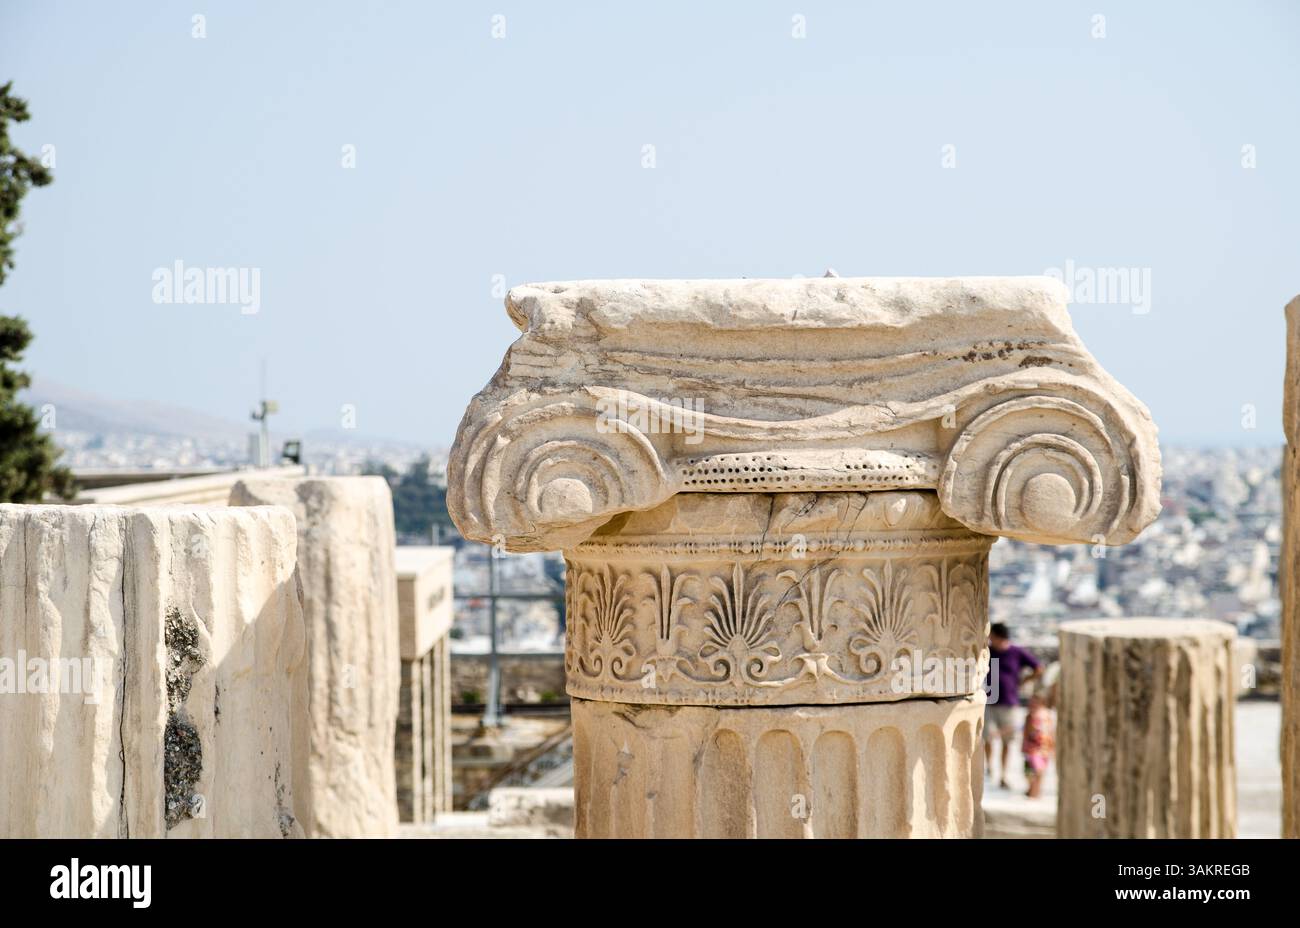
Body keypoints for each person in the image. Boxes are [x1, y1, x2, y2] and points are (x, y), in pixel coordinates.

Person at [983, 623, 1041, 789]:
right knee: (986, 737)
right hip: (989, 700)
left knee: (1006, 741)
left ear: (998, 637)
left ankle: (1003, 774)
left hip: (1009, 702)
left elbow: (1038, 668)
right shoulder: (988, 651)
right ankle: (989, 767)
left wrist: (1022, 682)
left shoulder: (1016, 652)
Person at [1021, 691, 1055, 798]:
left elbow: (1050, 731)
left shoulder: (1046, 715)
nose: (1032, 704)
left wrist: (1052, 745)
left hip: (1043, 747)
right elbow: (1026, 732)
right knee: (1029, 770)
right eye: (1031, 702)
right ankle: (1032, 789)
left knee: (1039, 770)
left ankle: (1035, 791)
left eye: (1035, 702)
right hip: (1031, 748)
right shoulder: (1029, 716)